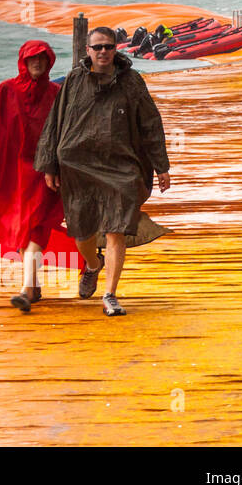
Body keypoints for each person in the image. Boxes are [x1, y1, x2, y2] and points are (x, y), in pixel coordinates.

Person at [34, 27, 172, 317]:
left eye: (108, 47)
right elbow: (55, 122)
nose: (103, 52)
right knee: (81, 230)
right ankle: (93, 265)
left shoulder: (132, 82)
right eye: (97, 47)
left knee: (116, 228)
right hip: (77, 164)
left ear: (116, 49)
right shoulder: (74, 79)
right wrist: (49, 163)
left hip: (121, 164)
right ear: (88, 50)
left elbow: (150, 123)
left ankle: (110, 294)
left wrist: (161, 165)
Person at [0, 40, 82, 314]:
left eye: (42, 58)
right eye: (31, 59)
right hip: (14, 173)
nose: (36, 63)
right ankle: (34, 285)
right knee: (22, 226)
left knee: (36, 224)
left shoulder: (56, 93)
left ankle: (27, 289)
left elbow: (69, 131)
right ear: (23, 62)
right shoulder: (6, 90)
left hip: (47, 172)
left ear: (49, 61)